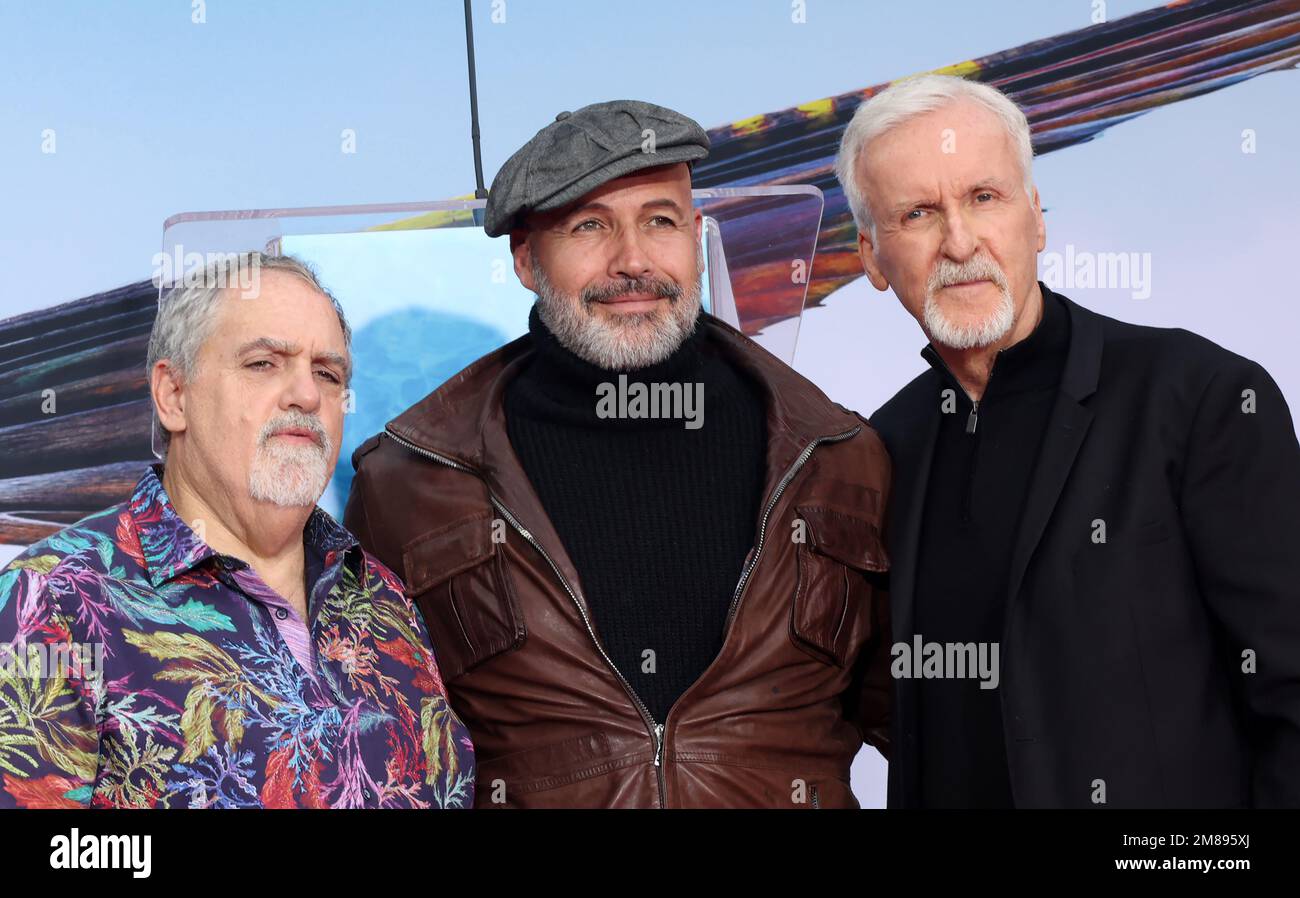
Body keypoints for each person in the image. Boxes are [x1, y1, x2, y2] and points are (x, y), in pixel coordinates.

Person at [346, 100, 892, 808]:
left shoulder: (840, 459)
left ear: (696, 236)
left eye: (660, 221)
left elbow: (924, 728)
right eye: (590, 226)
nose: (632, 261)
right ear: (524, 258)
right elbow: (370, 758)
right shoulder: (409, 482)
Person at [834, 73, 1300, 807]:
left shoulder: (1199, 397)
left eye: (984, 198)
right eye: (919, 213)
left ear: (1037, 218)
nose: (960, 242)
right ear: (870, 257)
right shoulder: (879, 452)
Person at [0, 253, 473, 808]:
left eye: (327, 372)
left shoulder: (384, 598)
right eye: (263, 364)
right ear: (174, 396)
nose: (306, 395)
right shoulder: (57, 597)